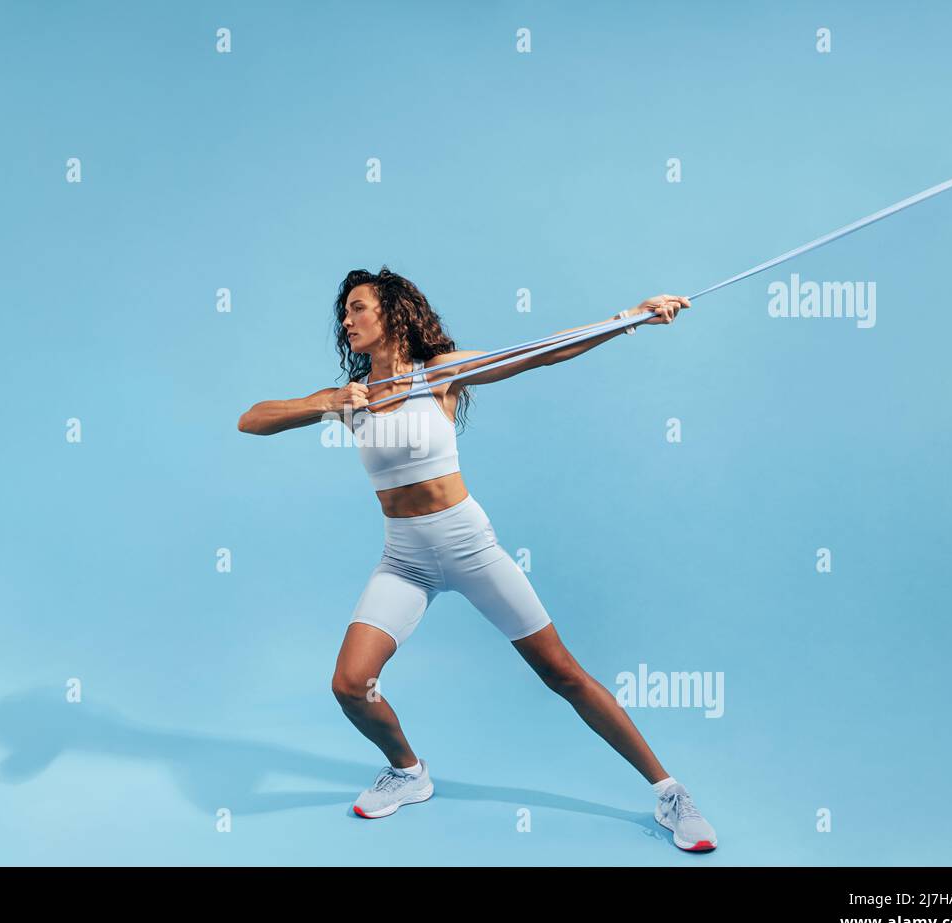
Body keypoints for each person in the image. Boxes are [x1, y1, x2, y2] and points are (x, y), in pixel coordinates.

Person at [237, 267, 717, 852]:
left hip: (468, 546)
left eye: (358, 308)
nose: (347, 319)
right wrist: (325, 402)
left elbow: (540, 353)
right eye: (345, 312)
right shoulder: (353, 398)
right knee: (350, 684)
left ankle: (669, 791)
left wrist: (628, 320)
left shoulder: (438, 374)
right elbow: (252, 420)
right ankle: (409, 773)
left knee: (561, 672)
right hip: (403, 559)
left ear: (392, 312)